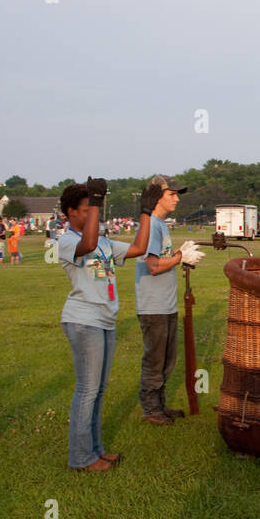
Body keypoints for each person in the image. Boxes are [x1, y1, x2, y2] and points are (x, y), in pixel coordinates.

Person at [56, 179, 173, 471]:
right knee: (87, 390)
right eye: (87, 210)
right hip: (83, 320)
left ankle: (95, 450)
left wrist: (146, 212)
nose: (93, 214)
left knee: (98, 391)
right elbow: (89, 243)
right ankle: (81, 457)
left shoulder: (106, 242)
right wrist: (96, 202)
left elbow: (139, 247)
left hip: (104, 320)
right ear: (71, 212)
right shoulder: (68, 240)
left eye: (94, 208)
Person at [134, 174, 203, 426]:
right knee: (155, 359)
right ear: (156, 197)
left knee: (166, 359)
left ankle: (160, 405)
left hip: (165, 303)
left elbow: (160, 257)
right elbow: (152, 266)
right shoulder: (151, 224)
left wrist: (177, 253)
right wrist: (179, 258)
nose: (177, 198)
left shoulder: (161, 224)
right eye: (172, 194)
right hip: (153, 305)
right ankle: (150, 409)